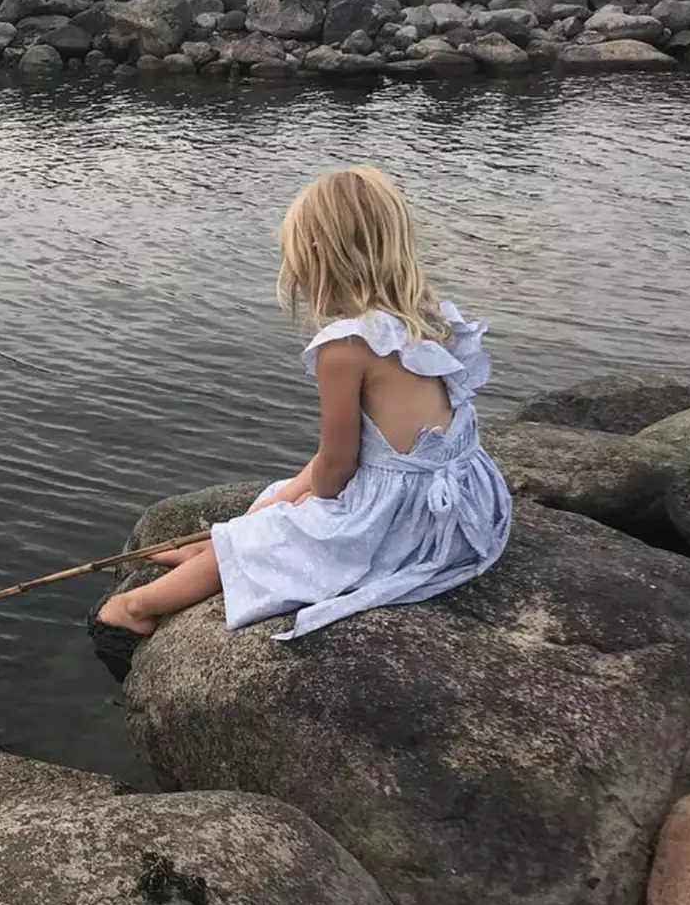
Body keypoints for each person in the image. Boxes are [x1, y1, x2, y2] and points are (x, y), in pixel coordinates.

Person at [94, 165, 512, 649]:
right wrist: (275, 505)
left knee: (287, 535)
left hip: (402, 524)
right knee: (274, 505)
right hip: (462, 504)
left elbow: (336, 467)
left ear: (315, 255)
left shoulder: (345, 347)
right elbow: (352, 459)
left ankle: (134, 609)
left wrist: (291, 511)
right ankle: (225, 545)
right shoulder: (426, 317)